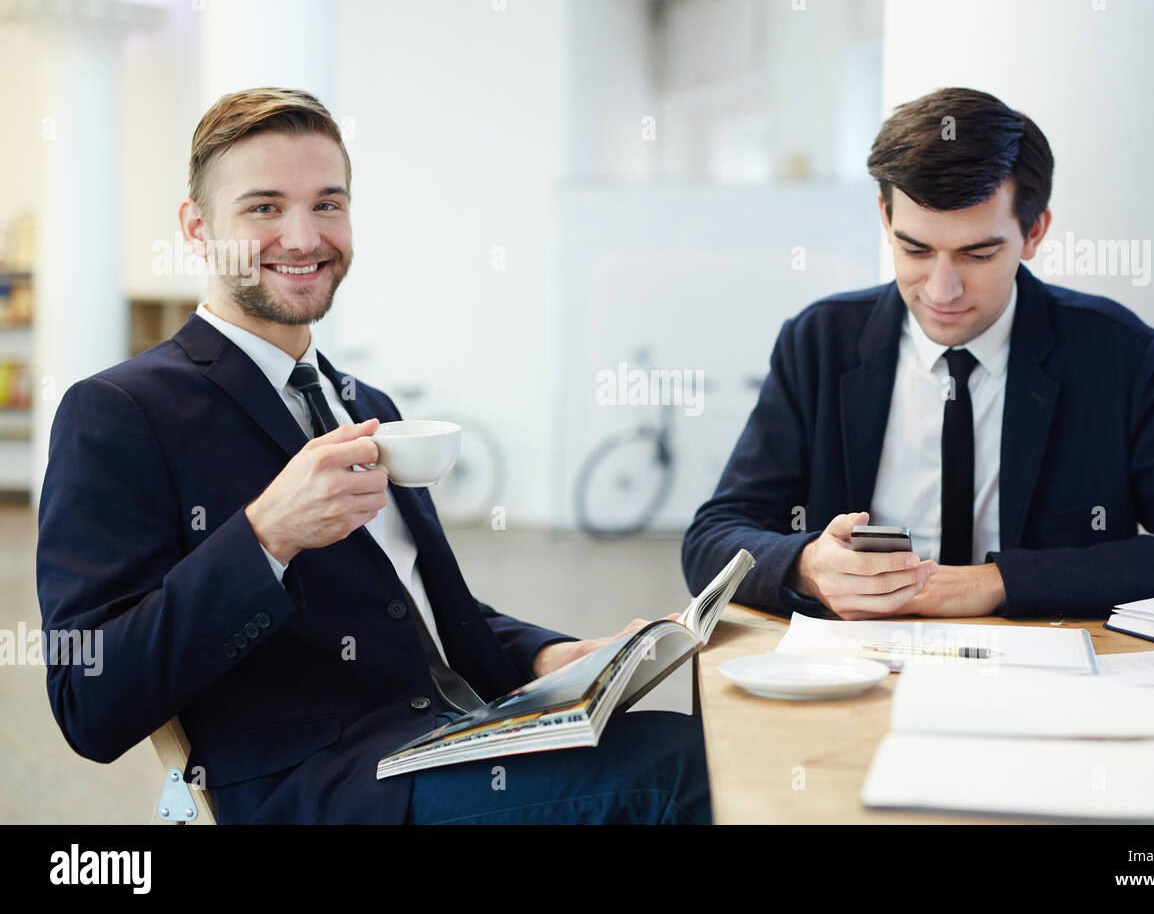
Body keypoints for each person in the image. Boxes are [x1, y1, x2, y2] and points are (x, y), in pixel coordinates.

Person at [36, 87, 710, 824]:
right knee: (681, 772)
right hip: (326, 787)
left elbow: (412, 605)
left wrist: (550, 658)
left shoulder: (365, 404)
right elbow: (88, 703)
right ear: (196, 229)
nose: (303, 237)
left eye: (328, 204)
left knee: (709, 743)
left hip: (455, 738)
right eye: (264, 208)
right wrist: (267, 536)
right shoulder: (120, 413)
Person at [682, 87, 1154, 621]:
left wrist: (999, 584)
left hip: (1048, 685)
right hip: (853, 677)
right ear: (884, 218)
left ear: (1034, 234)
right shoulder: (818, 341)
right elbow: (712, 538)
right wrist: (807, 564)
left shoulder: (1120, 357)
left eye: (977, 255)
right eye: (915, 250)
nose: (941, 291)